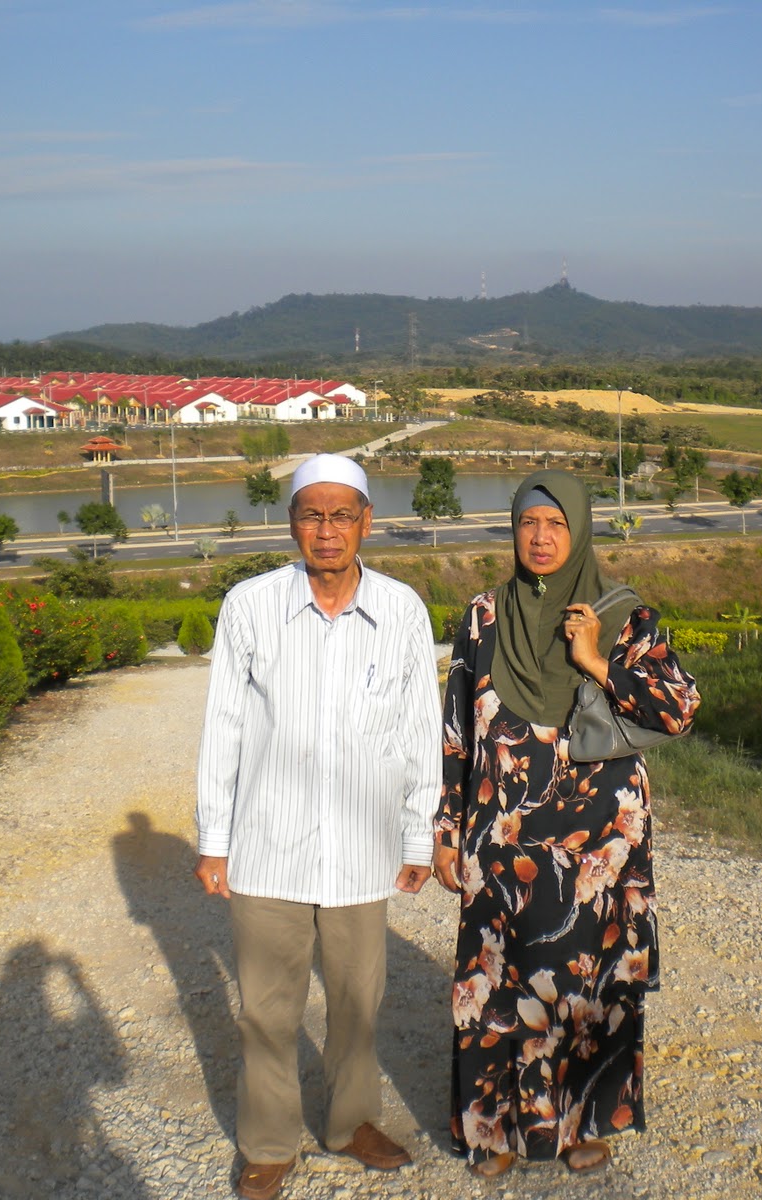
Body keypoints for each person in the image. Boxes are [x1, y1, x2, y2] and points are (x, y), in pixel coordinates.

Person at [432, 469, 701, 1179]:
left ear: (579, 528)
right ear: (513, 530)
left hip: (598, 840)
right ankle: (494, 1131)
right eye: (528, 523)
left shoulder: (622, 615)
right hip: (503, 836)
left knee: (584, 977)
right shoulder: (483, 617)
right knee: (498, 980)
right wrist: (445, 826)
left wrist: (595, 661)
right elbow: (457, 730)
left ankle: (579, 1124)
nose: (541, 538)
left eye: (555, 524)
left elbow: (678, 710)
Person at [195, 454, 440, 1200]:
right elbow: (225, 727)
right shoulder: (251, 606)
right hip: (269, 847)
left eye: (342, 515)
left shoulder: (401, 611)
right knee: (266, 1008)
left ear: (368, 522)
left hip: (361, 854)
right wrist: (215, 841)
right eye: (311, 514)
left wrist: (417, 834)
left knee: (357, 1002)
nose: (326, 531)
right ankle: (268, 1142)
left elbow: (417, 731)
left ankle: (350, 1122)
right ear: (291, 521)